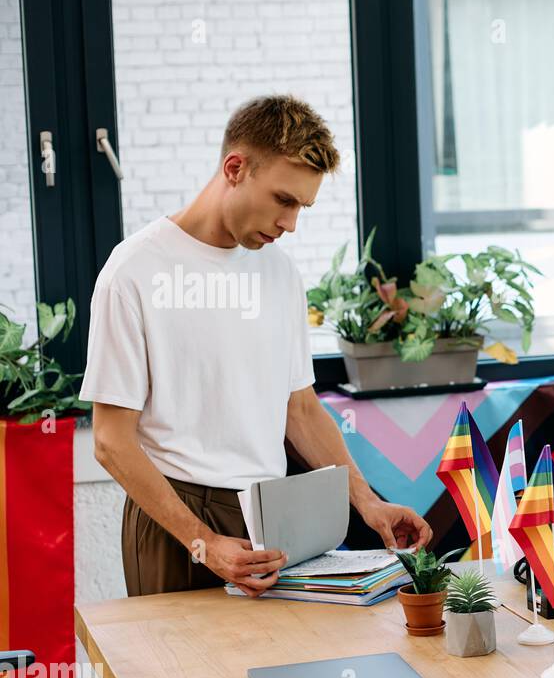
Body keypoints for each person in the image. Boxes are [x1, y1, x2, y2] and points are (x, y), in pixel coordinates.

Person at [81, 95, 431, 598]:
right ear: (235, 168)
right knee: (180, 677)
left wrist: (367, 501)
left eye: (302, 208)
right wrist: (202, 542)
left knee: (270, 671)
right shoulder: (133, 271)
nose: (290, 224)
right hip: (175, 522)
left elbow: (302, 410)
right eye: (283, 200)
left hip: (271, 516)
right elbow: (111, 441)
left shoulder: (280, 272)